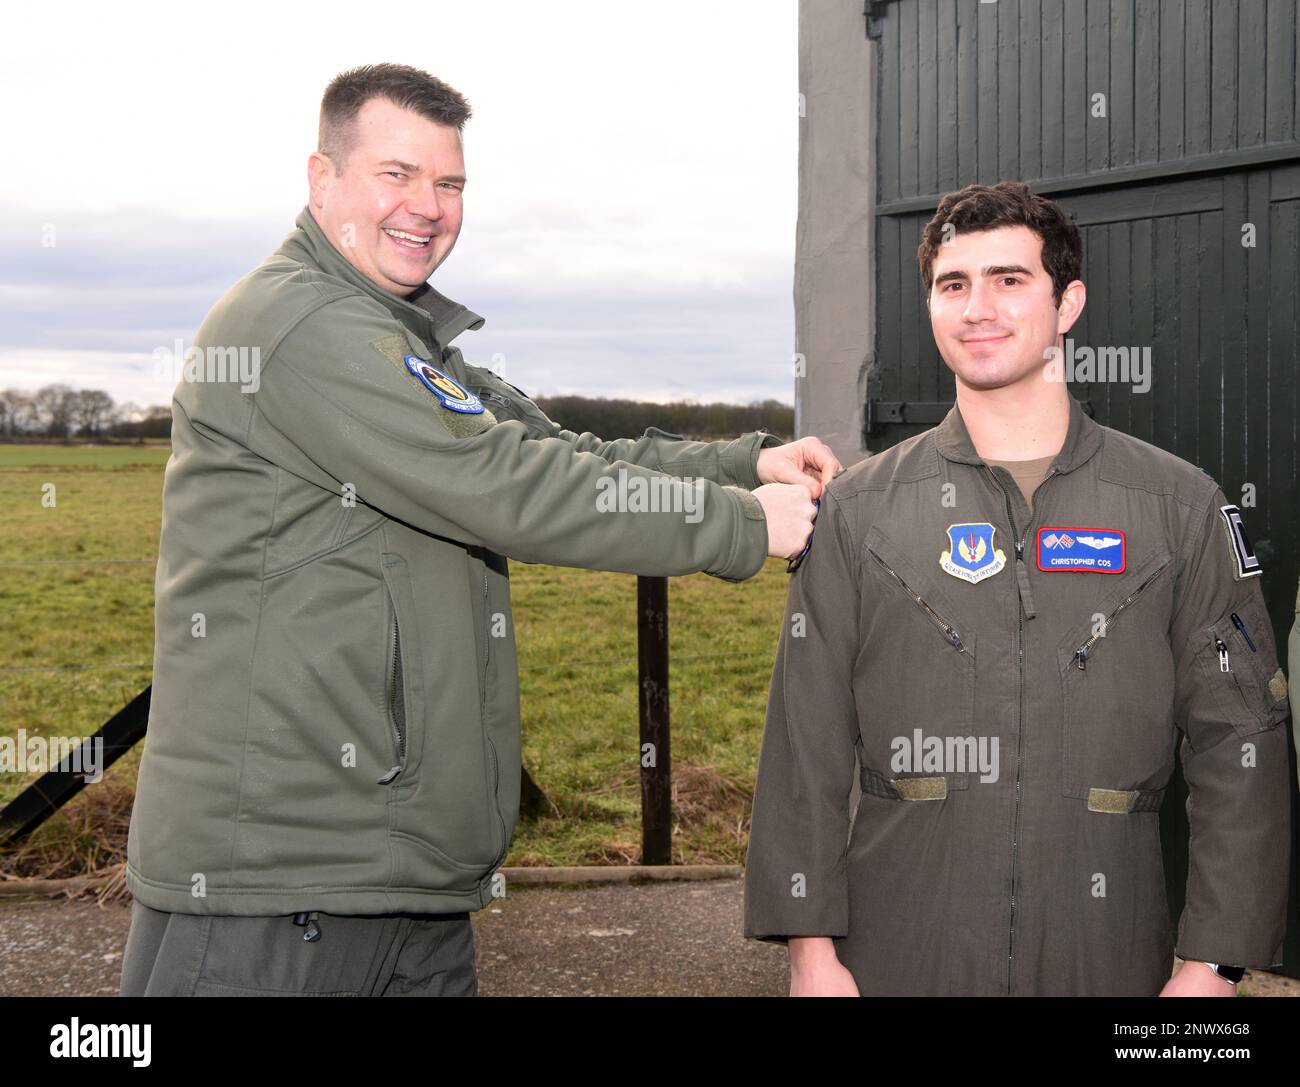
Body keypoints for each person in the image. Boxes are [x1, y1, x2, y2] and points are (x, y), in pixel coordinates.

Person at [119, 63, 838, 997]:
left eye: (449, 182)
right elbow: (506, 483)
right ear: (321, 178)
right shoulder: (299, 325)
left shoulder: (399, 335)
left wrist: (743, 466)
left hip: (402, 880)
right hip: (276, 883)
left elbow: (557, 448)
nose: (427, 205)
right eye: (396, 173)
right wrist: (740, 525)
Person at [743, 180, 1292, 997]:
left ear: (1068, 303)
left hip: (1108, 949)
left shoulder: (1177, 507)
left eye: (1009, 280)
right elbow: (804, 745)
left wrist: (1211, 965)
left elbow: (1239, 744)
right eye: (952, 284)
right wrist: (810, 955)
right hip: (897, 951)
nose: (977, 308)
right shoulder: (859, 512)